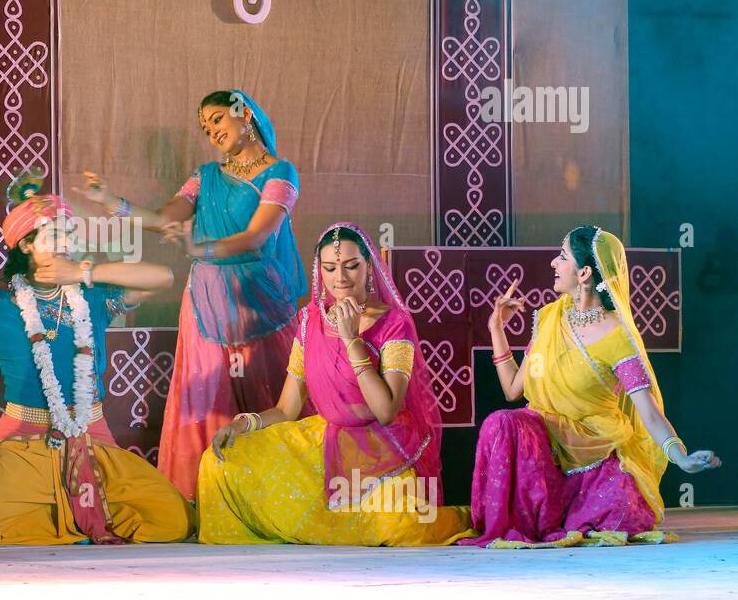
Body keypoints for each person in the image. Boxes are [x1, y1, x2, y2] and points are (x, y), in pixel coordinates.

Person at [0, 174, 194, 545]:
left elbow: (162, 278)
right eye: (54, 236)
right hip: (25, 445)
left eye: (68, 234)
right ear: (28, 246)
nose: (66, 243)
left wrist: (86, 272)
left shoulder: (91, 296)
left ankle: (63, 519)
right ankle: (59, 520)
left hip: (91, 440)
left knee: (173, 520)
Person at [79, 89, 307, 500]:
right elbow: (166, 217)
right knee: (205, 393)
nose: (212, 132)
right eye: (205, 127)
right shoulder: (205, 176)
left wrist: (201, 249)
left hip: (260, 300)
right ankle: (201, 498)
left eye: (218, 120)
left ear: (245, 114)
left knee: (272, 390)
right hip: (204, 300)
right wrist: (109, 201)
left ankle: (281, 495)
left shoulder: (281, 172)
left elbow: (256, 237)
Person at [198, 222, 471, 545]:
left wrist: (350, 338)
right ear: (319, 272)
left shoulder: (393, 323)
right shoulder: (310, 322)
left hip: (382, 449)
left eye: (351, 266)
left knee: (403, 530)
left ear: (369, 268)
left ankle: (469, 515)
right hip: (324, 441)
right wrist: (243, 424)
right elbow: (287, 409)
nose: (340, 278)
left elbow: (385, 410)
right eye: (330, 267)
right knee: (223, 461)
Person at [460, 225, 721, 548]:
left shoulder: (616, 337)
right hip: (543, 449)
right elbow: (513, 389)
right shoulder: (548, 319)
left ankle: (557, 512)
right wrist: (496, 329)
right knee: (502, 422)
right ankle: (532, 514)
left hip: (593, 450)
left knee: (623, 511)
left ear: (584, 272)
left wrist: (682, 459)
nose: (554, 264)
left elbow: (648, 412)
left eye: (562, 257)